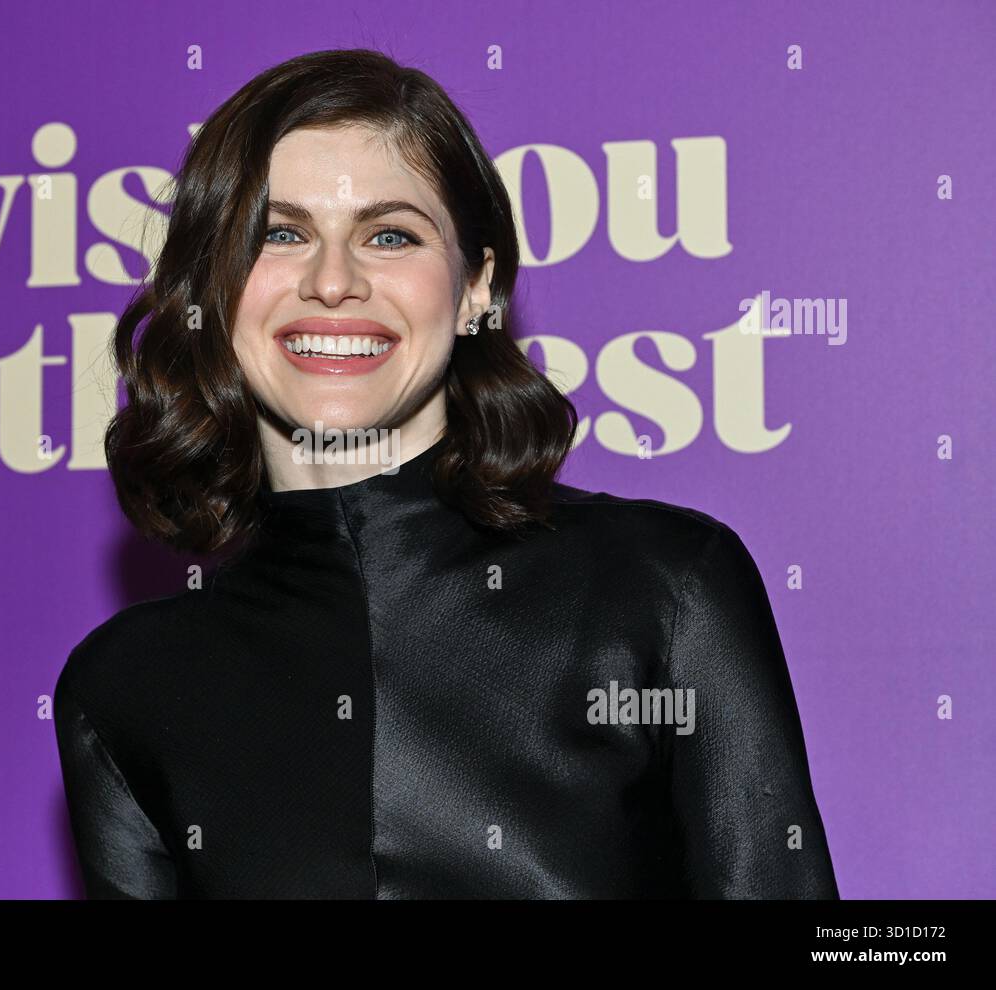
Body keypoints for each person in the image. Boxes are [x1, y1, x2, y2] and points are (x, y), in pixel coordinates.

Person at [52, 48, 839, 899]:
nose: (332, 281)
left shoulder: (662, 588)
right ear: (212, 283)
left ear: (476, 289)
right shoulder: (129, 684)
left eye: (390, 235)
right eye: (280, 233)